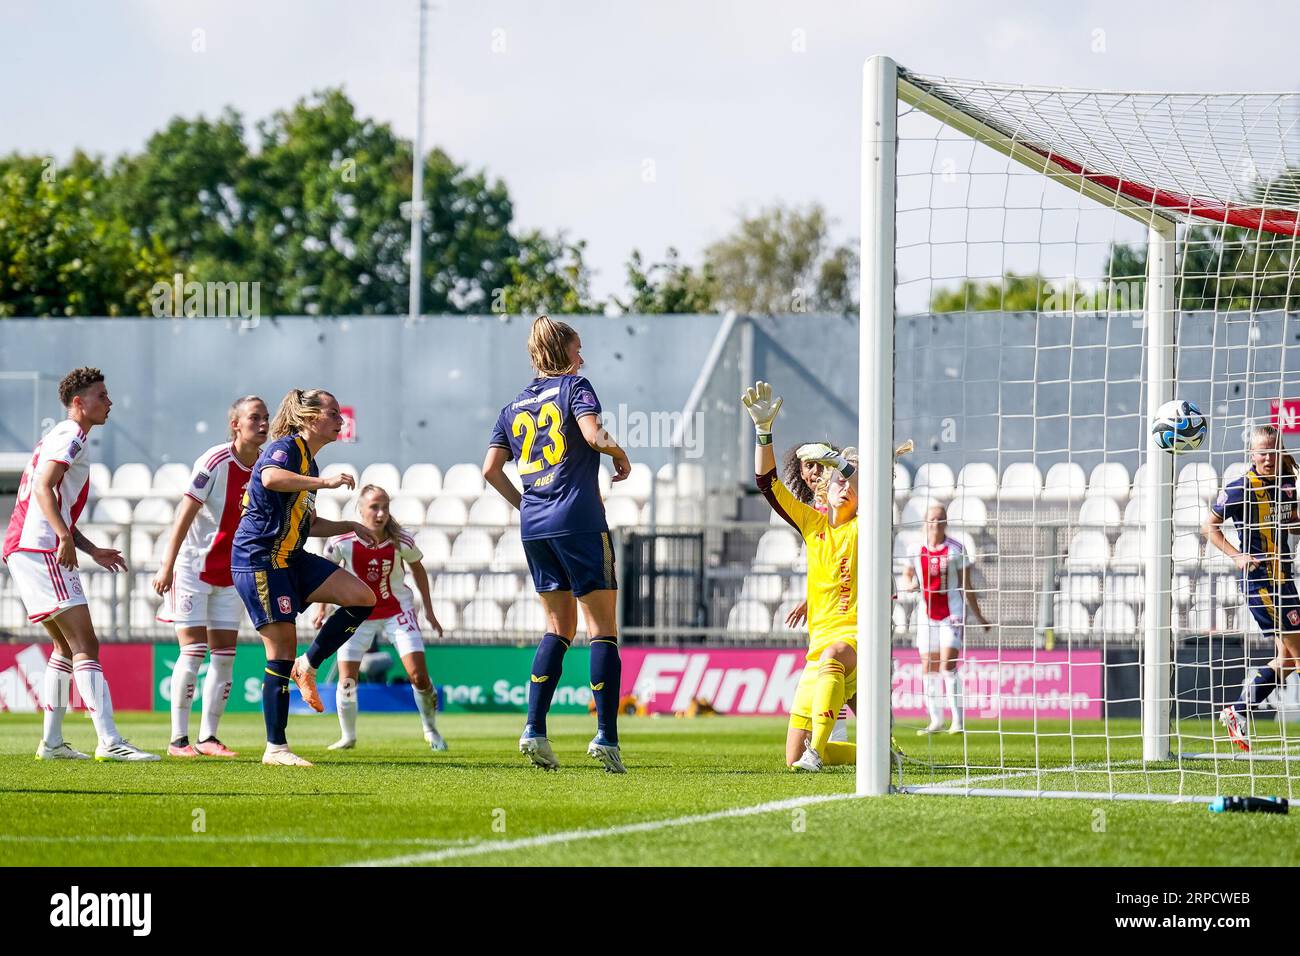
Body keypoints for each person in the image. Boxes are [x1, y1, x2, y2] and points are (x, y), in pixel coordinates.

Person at [483, 315, 632, 773]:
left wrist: (526, 504)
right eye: (577, 348)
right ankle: (606, 737)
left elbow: (490, 470)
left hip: (536, 525)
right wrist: (620, 453)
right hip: (580, 518)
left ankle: (534, 729)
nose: (582, 357)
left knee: (557, 628)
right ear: (561, 353)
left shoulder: (511, 407)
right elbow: (591, 435)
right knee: (602, 629)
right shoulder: (576, 387)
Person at [2, 367, 158, 760]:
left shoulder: (62, 435)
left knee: (64, 648)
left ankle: (52, 742)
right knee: (85, 644)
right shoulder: (72, 434)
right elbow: (43, 487)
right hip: (40, 548)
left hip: (28, 546)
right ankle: (110, 741)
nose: (109, 402)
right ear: (79, 402)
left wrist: (88, 547)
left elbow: (53, 498)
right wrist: (66, 538)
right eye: (102, 396)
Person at [230, 388, 379, 766]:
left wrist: (347, 524)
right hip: (261, 559)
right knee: (279, 649)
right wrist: (324, 484)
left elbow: (306, 523)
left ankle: (307, 665)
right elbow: (269, 478)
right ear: (311, 418)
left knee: (362, 598)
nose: (339, 419)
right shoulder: (286, 448)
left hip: (291, 557)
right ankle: (275, 748)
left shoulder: (308, 462)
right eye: (332, 413)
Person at [744, 380, 858, 772]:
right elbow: (767, 485)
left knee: (834, 658)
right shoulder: (812, 524)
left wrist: (842, 465)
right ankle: (875, 752)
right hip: (819, 642)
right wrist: (763, 433)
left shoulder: (866, 525)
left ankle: (817, 752)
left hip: (857, 637)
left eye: (848, 483)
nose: (843, 488)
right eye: (838, 483)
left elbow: (865, 487)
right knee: (789, 759)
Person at [152, 396, 268, 757]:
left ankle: (208, 737)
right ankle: (177, 740)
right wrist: (167, 564)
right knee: (193, 651)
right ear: (235, 424)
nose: (262, 424)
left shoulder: (267, 467)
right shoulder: (215, 460)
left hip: (232, 573)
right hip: (193, 568)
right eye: (254, 418)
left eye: (266, 418)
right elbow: (185, 513)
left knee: (224, 656)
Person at [314, 484, 447, 751]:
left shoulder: (401, 540)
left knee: (418, 676)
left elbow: (418, 570)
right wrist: (321, 608)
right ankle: (348, 736)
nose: (381, 512)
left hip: (397, 611)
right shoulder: (342, 540)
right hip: (356, 614)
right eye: (375, 506)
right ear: (361, 509)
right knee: (348, 679)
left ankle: (430, 729)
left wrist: (429, 611)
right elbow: (326, 572)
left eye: (385, 506)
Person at [1205, 424, 1300, 752]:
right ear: (1252, 453)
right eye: (1262, 452)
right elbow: (1210, 527)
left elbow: (1292, 522)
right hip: (1262, 583)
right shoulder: (1240, 489)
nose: (1268, 458)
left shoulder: (1287, 483)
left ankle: (1237, 710)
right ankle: (1237, 710)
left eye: (1273, 452)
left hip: (1284, 578)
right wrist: (1236, 555)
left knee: (1286, 660)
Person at [900, 503, 990, 735]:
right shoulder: (915, 548)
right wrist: (909, 584)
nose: (936, 523)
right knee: (928, 668)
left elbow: (966, 585)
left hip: (952, 612)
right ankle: (936, 720)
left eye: (940, 519)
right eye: (932, 519)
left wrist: (979, 617)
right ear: (925, 523)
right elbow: (907, 575)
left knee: (947, 666)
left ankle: (958, 721)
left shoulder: (956, 549)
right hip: (926, 613)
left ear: (946, 522)